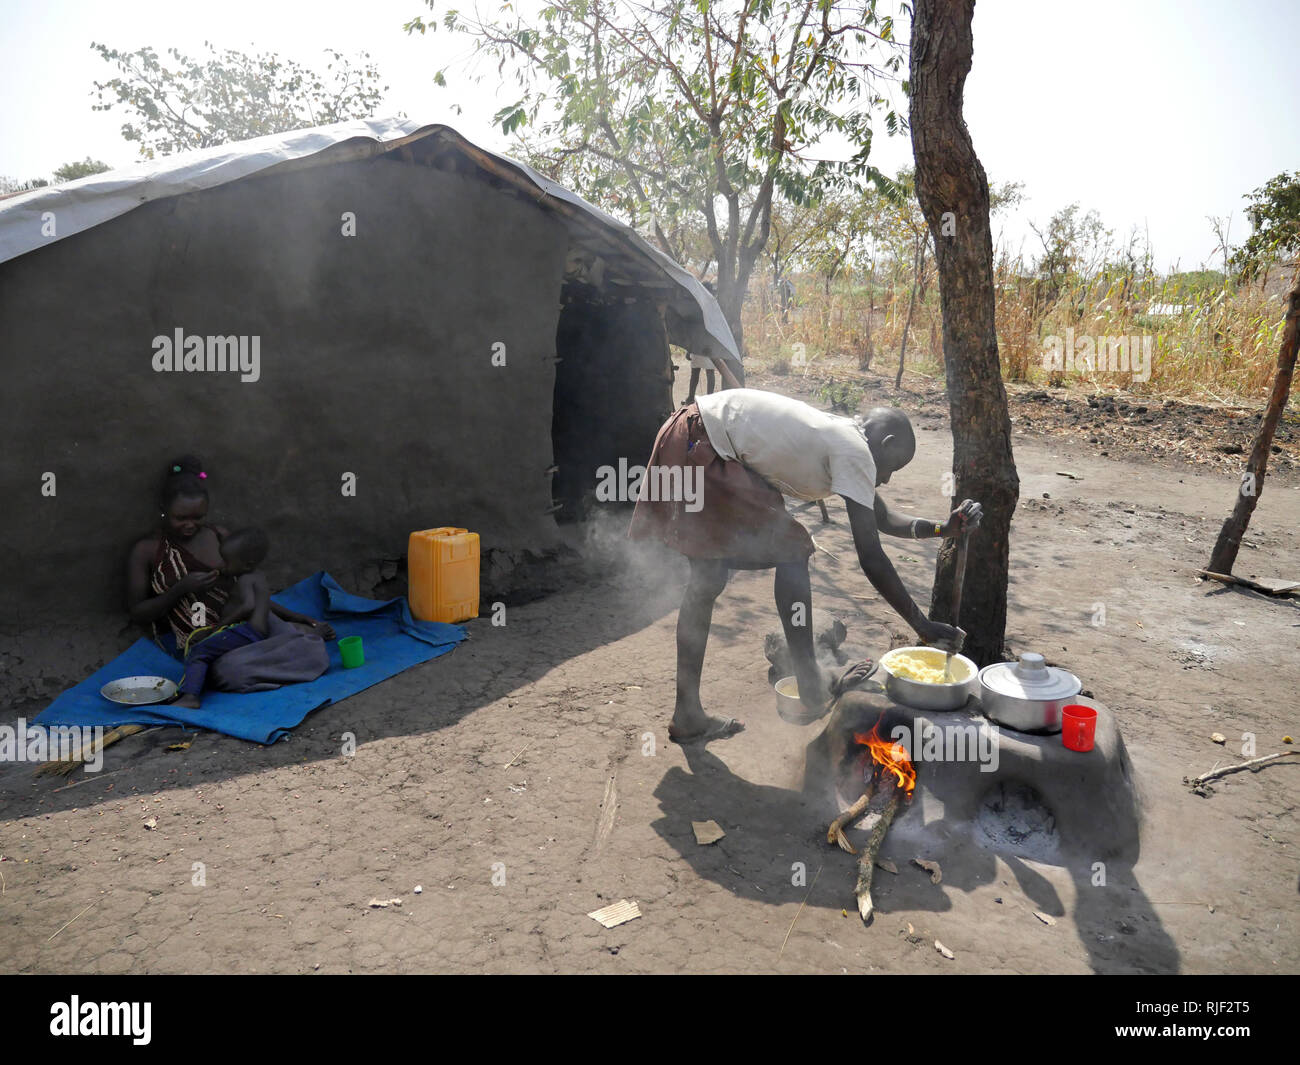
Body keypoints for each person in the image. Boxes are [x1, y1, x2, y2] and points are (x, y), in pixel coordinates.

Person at [628, 388, 982, 744]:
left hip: (694, 437)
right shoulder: (854, 449)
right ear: (887, 443)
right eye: (892, 467)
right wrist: (920, 624)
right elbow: (871, 558)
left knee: (708, 580)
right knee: (791, 549)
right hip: (702, 445)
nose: (887, 479)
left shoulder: (843, 438)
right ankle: (809, 681)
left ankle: (687, 713)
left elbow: (882, 516)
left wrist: (943, 529)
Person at [125, 455, 334, 652]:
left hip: (241, 620)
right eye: (180, 518)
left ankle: (291, 636)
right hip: (199, 634)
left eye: (198, 517)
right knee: (239, 659)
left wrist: (296, 616)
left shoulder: (219, 536)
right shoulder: (147, 550)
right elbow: (139, 613)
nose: (190, 525)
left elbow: (250, 591)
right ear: (164, 509)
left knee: (284, 635)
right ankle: (290, 641)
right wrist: (179, 590)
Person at [172, 527, 274, 709]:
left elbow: (248, 605)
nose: (221, 565)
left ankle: (190, 697)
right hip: (259, 632)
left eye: (226, 562)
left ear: (248, 565)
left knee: (199, 652)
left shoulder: (244, 579)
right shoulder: (259, 577)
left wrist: (216, 628)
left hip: (248, 631)